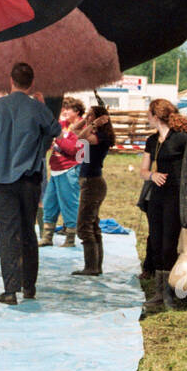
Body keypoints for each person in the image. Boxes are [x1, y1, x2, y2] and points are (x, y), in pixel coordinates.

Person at [0, 62, 61, 305]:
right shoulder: (37, 108)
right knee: (28, 232)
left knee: (8, 234)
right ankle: (29, 286)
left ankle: (10, 290)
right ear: (32, 83)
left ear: (10, 81)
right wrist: (42, 107)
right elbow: (55, 129)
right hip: (30, 179)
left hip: (1, 179)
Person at [139, 99, 187, 312]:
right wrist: (152, 174)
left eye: (149, 114)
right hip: (157, 196)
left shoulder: (181, 139)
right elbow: (143, 170)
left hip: (175, 195)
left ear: (156, 115)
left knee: (169, 244)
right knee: (157, 243)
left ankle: (170, 293)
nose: (147, 118)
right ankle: (159, 293)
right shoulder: (152, 140)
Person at [70, 104, 115, 276]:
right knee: (93, 225)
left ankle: (91, 267)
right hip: (90, 183)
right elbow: (74, 129)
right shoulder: (94, 133)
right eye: (87, 115)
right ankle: (96, 266)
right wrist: (91, 120)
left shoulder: (101, 136)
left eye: (91, 115)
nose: (88, 118)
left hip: (93, 184)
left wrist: (95, 124)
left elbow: (80, 138)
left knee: (84, 227)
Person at [39, 97, 84, 247]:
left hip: (69, 170)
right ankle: (47, 237)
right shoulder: (62, 125)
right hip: (56, 170)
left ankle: (70, 238)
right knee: (49, 203)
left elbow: (73, 149)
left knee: (69, 204)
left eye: (68, 109)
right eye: (63, 109)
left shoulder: (81, 129)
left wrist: (57, 139)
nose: (64, 112)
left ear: (77, 112)